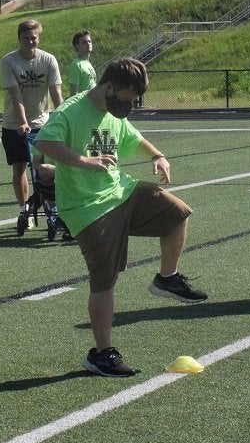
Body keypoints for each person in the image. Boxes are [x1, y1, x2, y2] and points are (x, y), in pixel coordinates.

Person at [35, 57, 208, 378]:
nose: (129, 105)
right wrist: (85, 161)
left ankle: (166, 278)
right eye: (127, 98)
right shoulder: (71, 111)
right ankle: (101, 355)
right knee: (105, 281)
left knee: (177, 213)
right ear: (109, 86)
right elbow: (45, 143)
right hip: (87, 208)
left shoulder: (114, 113)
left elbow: (133, 138)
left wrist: (158, 156)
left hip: (122, 192)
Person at [0, 19, 63, 231]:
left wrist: (62, 118)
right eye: (25, 38)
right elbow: (16, 94)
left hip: (43, 124)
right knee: (19, 168)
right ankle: (24, 211)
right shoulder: (9, 61)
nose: (30, 42)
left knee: (44, 170)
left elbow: (56, 92)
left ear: (39, 37)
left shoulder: (48, 60)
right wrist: (23, 122)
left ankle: (53, 210)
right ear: (19, 39)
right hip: (14, 125)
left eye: (33, 38)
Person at [67, 30, 97, 96]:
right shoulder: (76, 65)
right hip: (82, 105)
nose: (88, 44)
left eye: (89, 41)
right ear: (77, 46)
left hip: (91, 104)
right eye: (84, 42)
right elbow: (74, 93)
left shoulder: (88, 63)